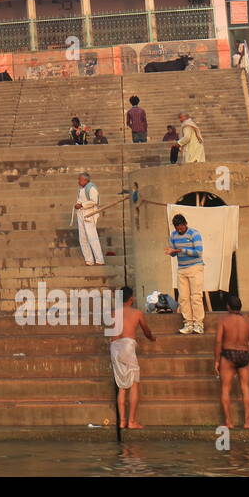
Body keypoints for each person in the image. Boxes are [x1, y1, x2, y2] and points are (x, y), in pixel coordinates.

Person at [110, 286, 155, 429]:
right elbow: (146, 331)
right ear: (131, 299)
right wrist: (152, 338)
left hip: (114, 347)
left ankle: (122, 421)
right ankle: (131, 421)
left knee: (122, 386)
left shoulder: (112, 313)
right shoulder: (137, 313)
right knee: (134, 383)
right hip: (127, 346)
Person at [214, 294, 249, 429]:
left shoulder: (223, 321)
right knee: (246, 388)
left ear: (228, 307)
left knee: (226, 389)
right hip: (244, 355)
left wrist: (216, 360)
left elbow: (219, 341)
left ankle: (228, 422)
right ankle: (247, 422)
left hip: (228, 354)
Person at [167, 213, 206, 334]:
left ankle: (198, 323)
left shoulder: (194, 234)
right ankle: (188, 322)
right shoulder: (173, 236)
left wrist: (180, 250)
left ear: (185, 224)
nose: (179, 230)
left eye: (181, 227)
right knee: (183, 297)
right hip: (182, 269)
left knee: (196, 297)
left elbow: (198, 252)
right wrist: (171, 252)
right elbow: (174, 253)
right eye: (177, 228)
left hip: (195, 267)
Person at [74, 172, 103, 266]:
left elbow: (95, 201)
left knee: (92, 237)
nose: (78, 181)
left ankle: (99, 260)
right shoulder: (81, 189)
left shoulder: (91, 188)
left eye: (80, 179)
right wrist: (78, 204)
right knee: (83, 238)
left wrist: (82, 205)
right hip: (81, 214)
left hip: (89, 214)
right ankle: (89, 260)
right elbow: (80, 199)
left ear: (85, 180)